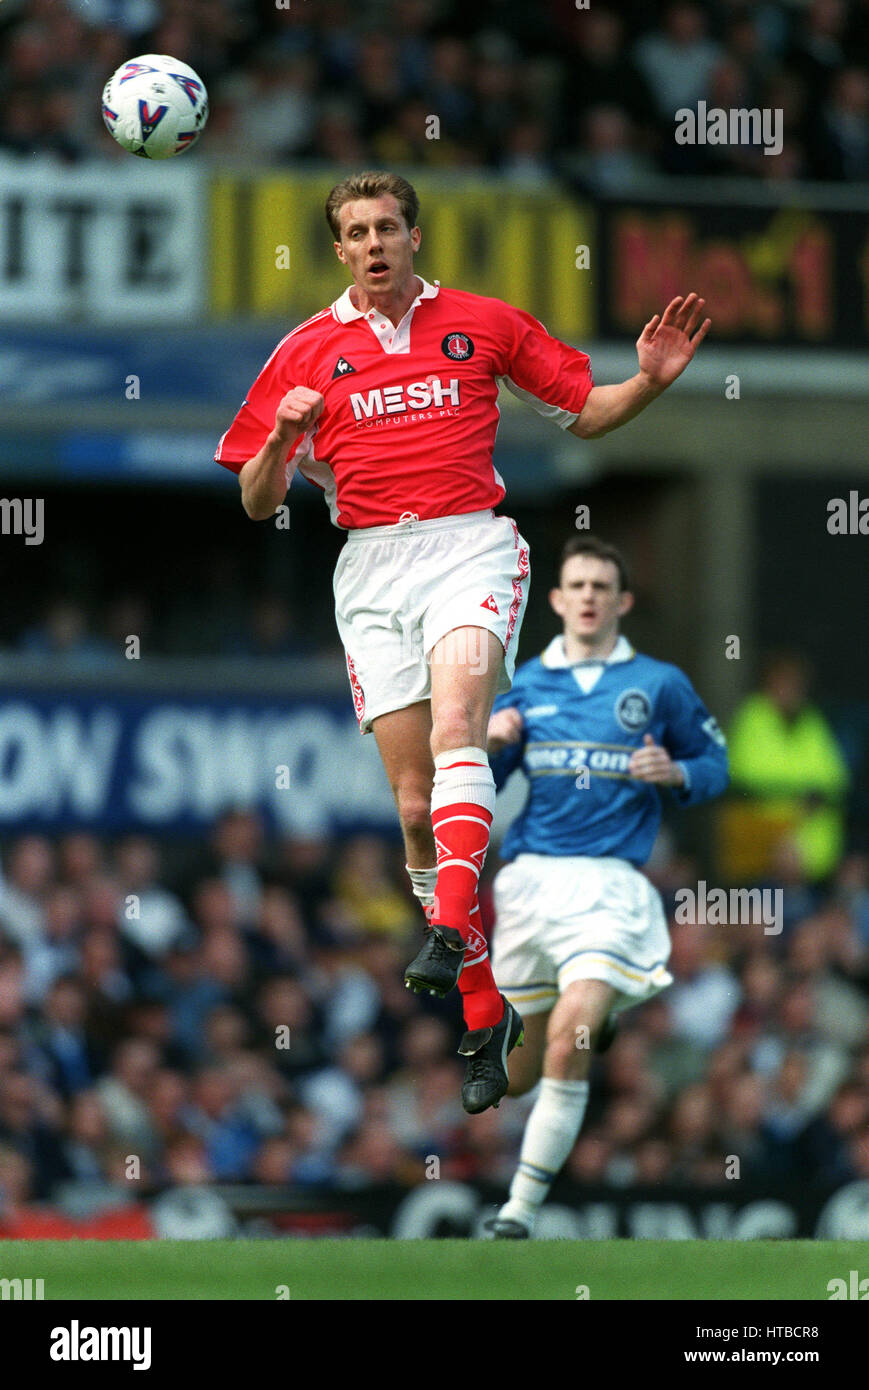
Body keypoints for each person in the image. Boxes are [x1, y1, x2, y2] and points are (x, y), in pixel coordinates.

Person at [213, 170, 711, 1114]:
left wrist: (646, 381)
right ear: (338, 249)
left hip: (467, 546)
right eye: (356, 231)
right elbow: (256, 499)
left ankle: (447, 932)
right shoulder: (305, 351)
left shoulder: (483, 323)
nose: (373, 244)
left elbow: (586, 412)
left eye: (388, 227)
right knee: (411, 808)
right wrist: (281, 441)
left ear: (413, 236)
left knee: (457, 735)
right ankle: (485, 1016)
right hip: (368, 567)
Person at [484, 535, 729, 1235]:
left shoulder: (657, 684)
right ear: (556, 599)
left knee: (569, 1038)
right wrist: (493, 745)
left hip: (608, 889)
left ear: (620, 601)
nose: (588, 597)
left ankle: (518, 1211)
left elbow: (715, 761)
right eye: (576, 586)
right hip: (530, 886)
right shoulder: (524, 683)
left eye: (601, 586)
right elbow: (487, 783)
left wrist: (677, 773)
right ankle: (600, 1010)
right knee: (517, 1073)